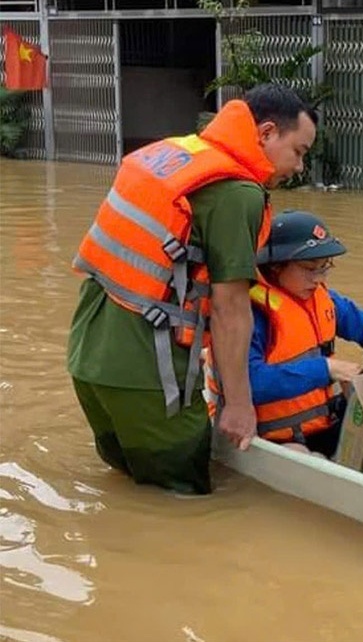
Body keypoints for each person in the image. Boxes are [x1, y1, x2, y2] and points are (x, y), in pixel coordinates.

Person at [67, 84, 318, 495]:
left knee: (129, 492)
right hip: (148, 374)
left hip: (88, 358)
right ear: (268, 133)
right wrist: (238, 406)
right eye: (300, 152)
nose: (299, 167)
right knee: (184, 505)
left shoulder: (176, 152)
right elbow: (230, 308)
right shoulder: (238, 193)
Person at [204, 210, 363, 458]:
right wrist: (327, 369)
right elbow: (250, 384)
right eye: (309, 268)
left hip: (322, 424)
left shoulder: (324, 299)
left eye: (324, 268)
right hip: (272, 435)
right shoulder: (250, 316)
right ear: (275, 266)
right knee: (305, 455)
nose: (318, 279)